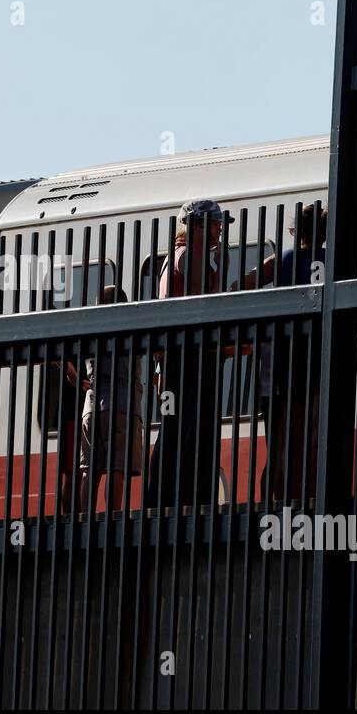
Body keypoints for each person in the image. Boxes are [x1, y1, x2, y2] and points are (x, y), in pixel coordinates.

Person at [147, 199, 232, 512]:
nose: (220, 230)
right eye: (215, 224)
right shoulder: (192, 257)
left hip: (176, 358)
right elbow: (202, 307)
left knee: (175, 430)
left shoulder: (175, 257)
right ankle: (181, 500)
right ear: (197, 225)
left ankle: (164, 500)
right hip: (191, 357)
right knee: (189, 429)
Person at [244, 203, 326, 503]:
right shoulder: (333, 260)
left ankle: (274, 506)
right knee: (309, 443)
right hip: (318, 360)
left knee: (278, 446)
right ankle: (306, 504)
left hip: (280, 363)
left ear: (294, 231)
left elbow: (242, 285)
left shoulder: (281, 260)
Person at [74, 286, 144, 515]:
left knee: (89, 470)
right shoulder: (133, 327)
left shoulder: (90, 330)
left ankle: (85, 522)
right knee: (117, 468)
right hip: (123, 404)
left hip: (91, 407)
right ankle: (111, 521)